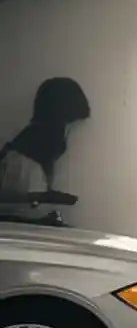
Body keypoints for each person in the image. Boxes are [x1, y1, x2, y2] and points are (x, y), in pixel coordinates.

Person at [0, 77, 90, 222]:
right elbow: (19, 215)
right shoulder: (22, 164)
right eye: (68, 125)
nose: (68, 133)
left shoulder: (24, 153)